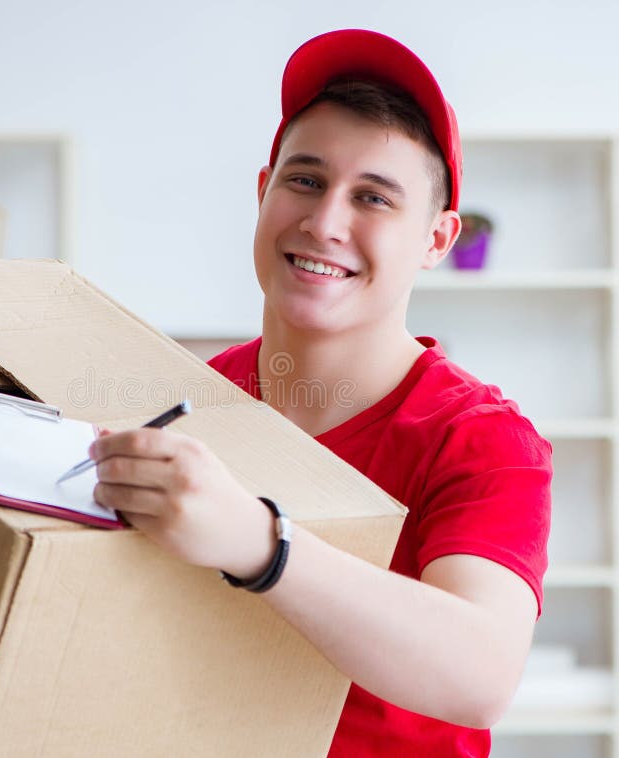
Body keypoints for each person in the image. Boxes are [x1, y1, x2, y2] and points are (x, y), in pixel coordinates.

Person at [89, 29, 552, 756]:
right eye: (304, 180)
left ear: (437, 240)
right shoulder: (188, 400)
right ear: (263, 191)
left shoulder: (481, 437)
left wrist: (259, 543)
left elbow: (482, 674)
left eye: (373, 197)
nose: (325, 221)